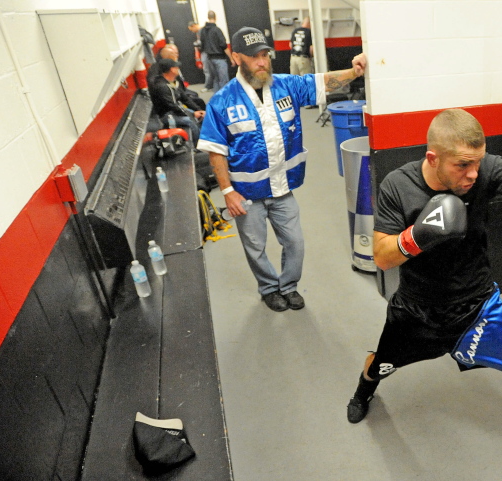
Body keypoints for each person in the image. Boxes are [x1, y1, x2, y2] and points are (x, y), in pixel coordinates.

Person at [345, 109, 502, 465]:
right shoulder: (398, 184)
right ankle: (364, 393)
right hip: (416, 306)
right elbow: (381, 257)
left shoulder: (481, 170)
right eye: (462, 165)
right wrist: (418, 237)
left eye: (478, 162)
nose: (473, 174)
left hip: (477, 303)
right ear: (433, 157)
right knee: (382, 360)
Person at [197, 27, 367, 311]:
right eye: (254, 57)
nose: (262, 62)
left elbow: (323, 83)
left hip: (283, 188)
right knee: (255, 248)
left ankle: (288, 286)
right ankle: (268, 289)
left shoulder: (286, 86)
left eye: (265, 55)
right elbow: (216, 151)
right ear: (237, 57)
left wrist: (354, 72)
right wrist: (227, 191)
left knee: (296, 243)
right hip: (246, 195)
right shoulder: (222, 102)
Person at [149, 58, 205, 145]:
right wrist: (192, 114)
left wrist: (198, 110)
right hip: (166, 115)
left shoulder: (174, 82)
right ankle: (199, 144)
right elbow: (172, 106)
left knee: (202, 115)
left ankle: (203, 137)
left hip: (177, 111)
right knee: (189, 120)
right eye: (176, 67)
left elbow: (185, 99)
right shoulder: (162, 86)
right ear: (171, 69)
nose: (178, 69)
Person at [199, 11, 232, 92]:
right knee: (223, 80)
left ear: (208, 17)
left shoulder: (202, 30)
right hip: (219, 58)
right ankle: (225, 99)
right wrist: (231, 58)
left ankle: (217, 98)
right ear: (215, 17)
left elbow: (201, 44)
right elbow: (224, 45)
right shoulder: (217, 30)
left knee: (216, 79)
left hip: (209, 58)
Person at [187, 20, 211, 92]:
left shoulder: (201, 31)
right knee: (208, 70)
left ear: (193, 26)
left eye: (192, 29)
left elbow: (203, 42)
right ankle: (209, 85)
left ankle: (208, 86)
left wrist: (197, 44)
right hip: (205, 52)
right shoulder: (199, 32)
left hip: (205, 52)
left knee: (207, 70)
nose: (192, 32)